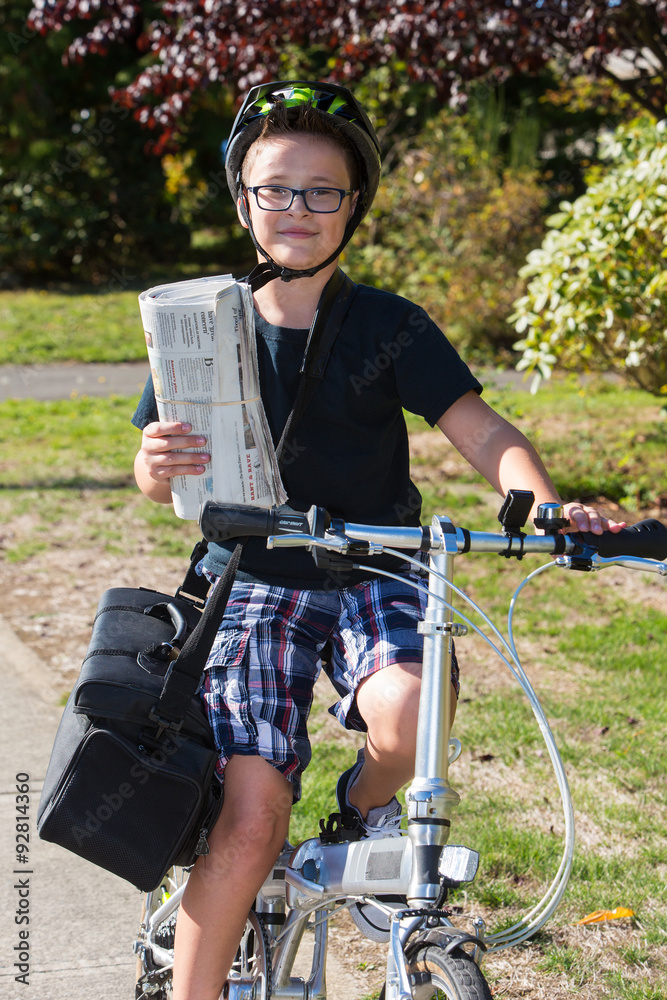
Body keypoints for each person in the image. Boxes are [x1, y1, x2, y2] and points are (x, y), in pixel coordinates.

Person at [132, 81, 624, 1000]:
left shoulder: (389, 324)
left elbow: (482, 431)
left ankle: (357, 818)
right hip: (253, 575)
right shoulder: (199, 321)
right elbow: (153, 467)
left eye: (324, 190)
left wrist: (544, 504)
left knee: (408, 720)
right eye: (275, 189)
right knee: (249, 817)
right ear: (242, 199)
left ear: (354, 204)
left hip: (375, 564)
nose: (298, 209)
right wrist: (155, 465)